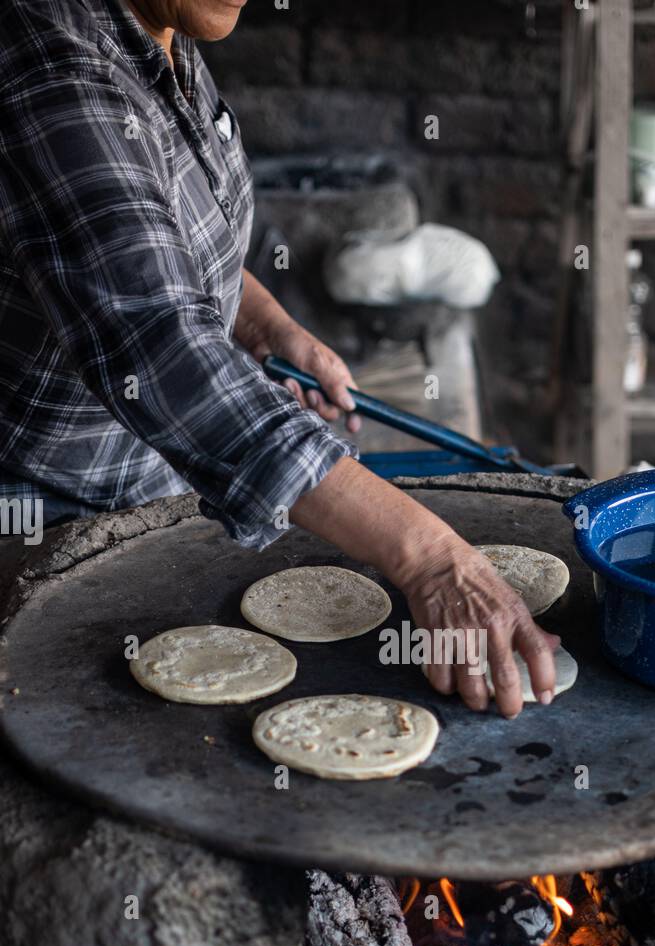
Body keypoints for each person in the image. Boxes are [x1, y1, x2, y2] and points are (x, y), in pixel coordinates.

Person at [0, 0, 558, 715]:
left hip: (147, 502)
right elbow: (158, 340)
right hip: (40, 536)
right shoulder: (47, 60)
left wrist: (265, 325)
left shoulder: (157, 32)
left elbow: (163, 236)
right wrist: (430, 556)